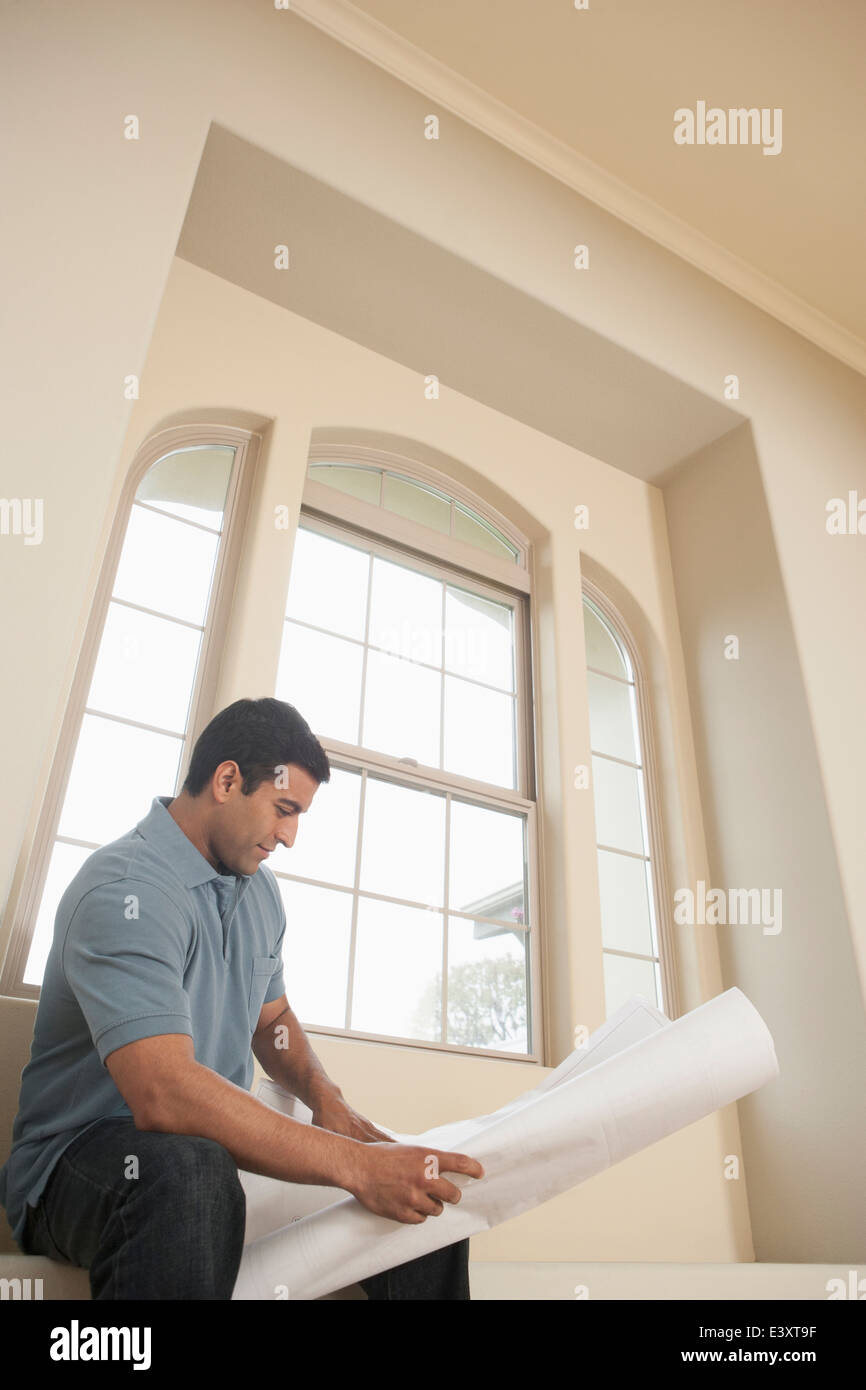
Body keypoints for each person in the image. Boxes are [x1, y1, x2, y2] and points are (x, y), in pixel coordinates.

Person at [0, 696, 484, 1299]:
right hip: (80, 1164)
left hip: (208, 1157)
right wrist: (353, 1165)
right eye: (285, 810)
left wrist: (327, 1100)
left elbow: (270, 1019)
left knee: (423, 1193)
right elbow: (163, 1093)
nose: (290, 836)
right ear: (227, 781)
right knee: (188, 1170)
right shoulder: (126, 891)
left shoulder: (258, 891)